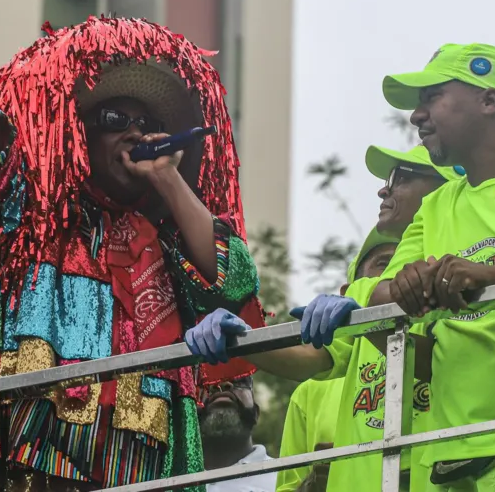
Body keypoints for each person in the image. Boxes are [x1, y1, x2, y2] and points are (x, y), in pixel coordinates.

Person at [0, 0, 265, 491]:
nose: (136, 133)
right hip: (40, 464)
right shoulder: (28, 220)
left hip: (150, 469)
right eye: (116, 120)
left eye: (150, 123)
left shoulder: (167, 235)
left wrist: (167, 178)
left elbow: (233, 279)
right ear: (79, 134)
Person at [190, 143, 458, 492]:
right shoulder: (363, 298)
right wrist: (240, 339)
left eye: (402, 176)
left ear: (450, 188)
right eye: (378, 268)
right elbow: (309, 359)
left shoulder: (462, 279)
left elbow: (447, 364)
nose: (384, 188)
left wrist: (371, 321)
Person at [356, 43, 495, 491]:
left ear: (489, 100)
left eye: (432, 97)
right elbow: (378, 297)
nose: (417, 116)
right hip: (449, 463)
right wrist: (408, 283)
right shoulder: (436, 206)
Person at [275, 233, 396, 492]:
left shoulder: (440, 353)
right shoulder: (309, 392)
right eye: (384, 264)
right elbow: (288, 487)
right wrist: (313, 484)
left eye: (407, 264)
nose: (396, 274)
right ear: (347, 293)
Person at [201, 376, 277, 492]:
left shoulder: (283, 478)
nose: (223, 384)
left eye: (239, 379)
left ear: (256, 413)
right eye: (204, 382)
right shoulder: (167, 479)